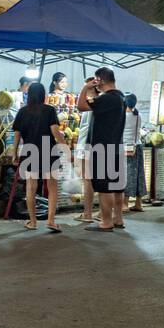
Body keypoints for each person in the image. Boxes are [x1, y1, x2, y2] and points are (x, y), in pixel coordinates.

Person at [11, 82, 67, 232]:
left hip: (29, 150)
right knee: (52, 186)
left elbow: (17, 134)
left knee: (31, 186)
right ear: (43, 95)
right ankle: (50, 220)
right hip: (48, 149)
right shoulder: (49, 110)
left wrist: (14, 152)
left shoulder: (22, 112)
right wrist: (65, 147)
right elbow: (55, 132)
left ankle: (33, 221)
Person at [82, 68, 127, 232]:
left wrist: (85, 88)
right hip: (116, 146)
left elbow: (81, 106)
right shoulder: (121, 97)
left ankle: (106, 222)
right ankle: (118, 219)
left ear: (100, 80)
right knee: (116, 186)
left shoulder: (107, 98)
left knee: (104, 187)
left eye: (96, 80)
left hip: (102, 148)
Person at [75, 74, 98, 223]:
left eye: (87, 87)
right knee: (90, 179)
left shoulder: (93, 103)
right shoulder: (97, 102)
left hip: (87, 144)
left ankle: (88, 213)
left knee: (88, 180)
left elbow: (80, 106)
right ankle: (96, 212)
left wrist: (85, 88)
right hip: (89, 143)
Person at [122, 93, 146, 212]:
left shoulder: (122, 116)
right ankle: (138, 203)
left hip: (126, 148)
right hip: (138, 147)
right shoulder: (138, 115)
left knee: (128, 175)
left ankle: (124, 204)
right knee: (139, 174)